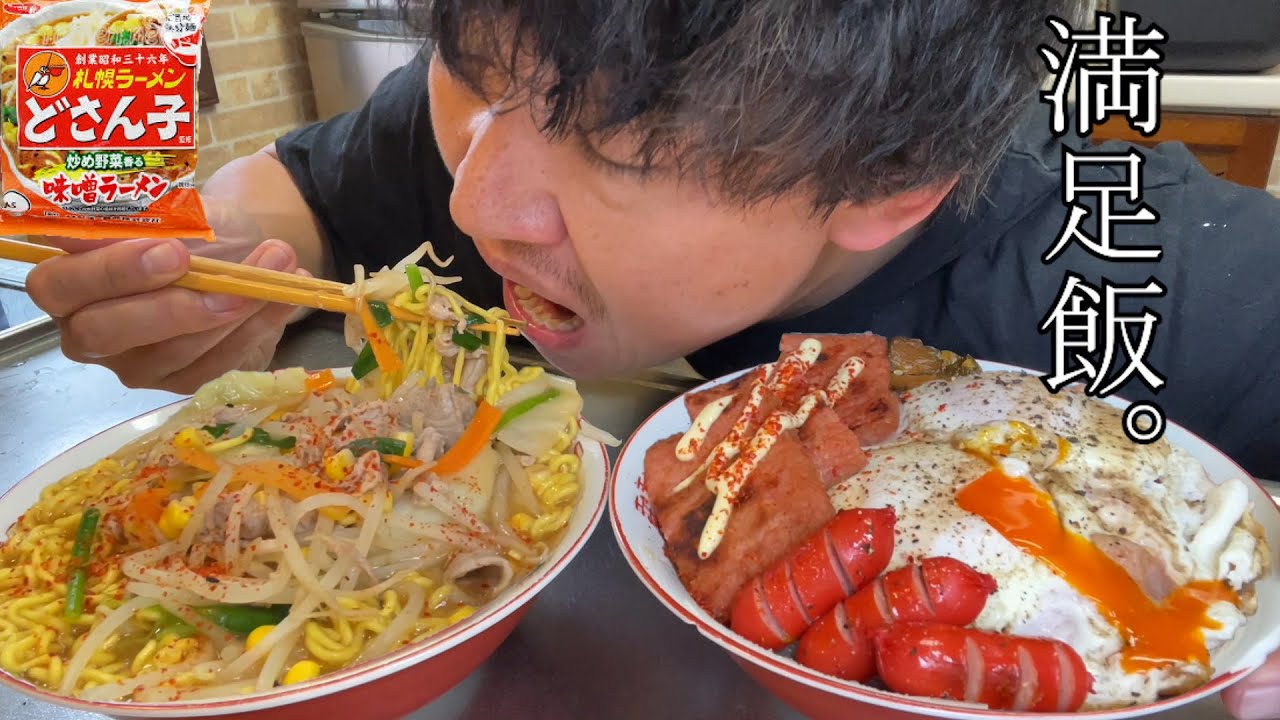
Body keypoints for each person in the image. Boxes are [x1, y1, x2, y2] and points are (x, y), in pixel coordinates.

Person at [23, 2, 1279, 716]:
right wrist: (200, 268)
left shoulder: (1167, 298)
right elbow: (295, 186)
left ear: (890, 180)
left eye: (620, 148)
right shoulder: (518, 102)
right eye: (465, 70)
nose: (477, 203)